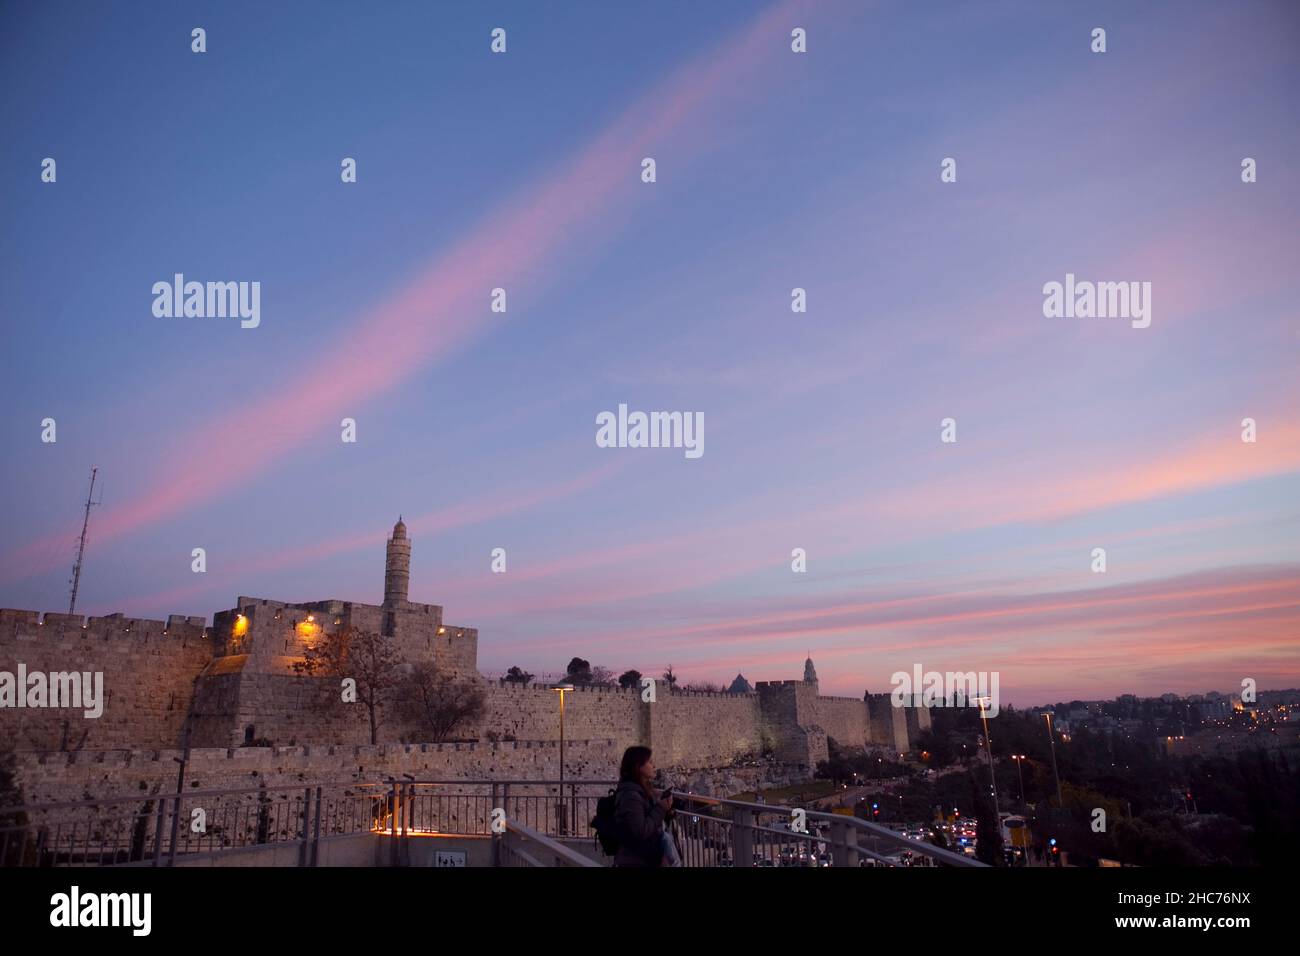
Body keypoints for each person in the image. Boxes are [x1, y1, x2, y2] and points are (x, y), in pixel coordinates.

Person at [612, 746, 677, 867]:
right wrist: (661, 808)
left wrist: (666, 809)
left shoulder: (642, 791)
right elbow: (641, 831)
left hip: (647, 856)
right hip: (636, 860)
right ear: (638, 766)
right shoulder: (630, 796)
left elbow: (650, 820)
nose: (654, 765)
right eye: (650, 762)